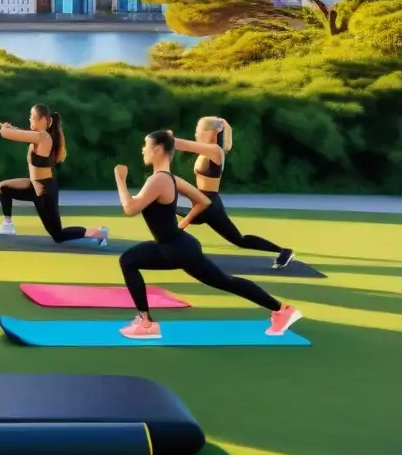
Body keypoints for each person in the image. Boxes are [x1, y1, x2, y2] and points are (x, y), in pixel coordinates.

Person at [113, 130, 302, 340]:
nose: (143, 150)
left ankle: (282, 310)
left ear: (157, 150)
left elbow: (130, 208)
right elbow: (203, 201)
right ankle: (146, 321)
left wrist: (120, 179)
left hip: (178, 250)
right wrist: (182, 223)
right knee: (128, 260)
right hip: (173, 246)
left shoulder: (158, 180)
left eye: (146, 146)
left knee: (226, 282)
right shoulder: (171, 179)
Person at [169, 118, 294, 269]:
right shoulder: (209, 150)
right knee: (239, 240)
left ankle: (168, 254)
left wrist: (164, 138)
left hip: (208, 204)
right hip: (207, 201)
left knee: (168, 212)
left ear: (212, 132)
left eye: (199, 131)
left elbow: (181, 144)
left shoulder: (215, 151)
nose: (196, 134)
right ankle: (284, 252)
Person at [0, 104, 108, 244]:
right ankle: (7, 225)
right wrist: (12, 129)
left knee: (58, 235)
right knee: (2, 188)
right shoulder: (37, 136)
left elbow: (7, 134)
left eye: (32, 116)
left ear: (43, 120)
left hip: (45, 191)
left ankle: (99, 232)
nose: (29, 119)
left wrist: (6, 129)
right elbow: (22, 134)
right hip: (33, 186)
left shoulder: (44, 137)